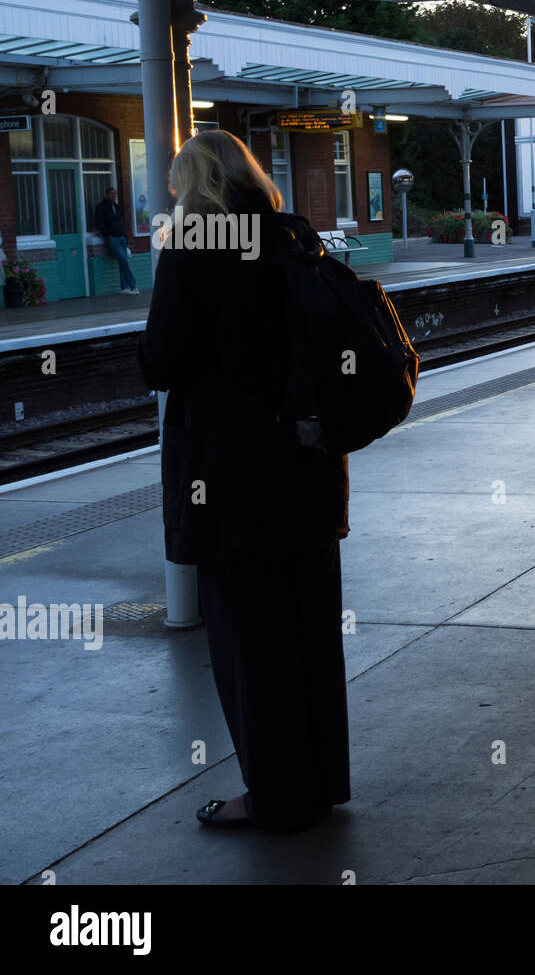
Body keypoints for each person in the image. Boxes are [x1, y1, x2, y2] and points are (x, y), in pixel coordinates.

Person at [138, 129, 351, 833]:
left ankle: (275, 797)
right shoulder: (293, 235)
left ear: (197, 187)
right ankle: (318, 781)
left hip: (233, 483)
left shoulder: (194, 247)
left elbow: (162, 360)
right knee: (310, 632)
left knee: (251, 642)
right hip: (310, 468)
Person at [93, 186, 139, 295]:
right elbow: (99, 223)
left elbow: (122, 222)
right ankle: (133, 286)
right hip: (112, 238)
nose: (114, 196)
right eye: (112, 194)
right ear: (107, 195)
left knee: (123, 261)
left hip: (121, 237)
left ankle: (124, 287)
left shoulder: (116, 207)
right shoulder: (101, 207)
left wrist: (124, 235)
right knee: (123, 259)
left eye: (115, 194)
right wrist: (107, 235)